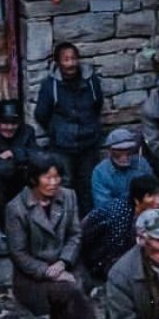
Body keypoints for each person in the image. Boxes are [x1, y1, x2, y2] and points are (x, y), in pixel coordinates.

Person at [5, 153, 102, 319]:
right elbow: (18, 253)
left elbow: (75, 234)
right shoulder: (16, 208)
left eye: (57, 177)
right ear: (33, 179)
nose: (53, 183)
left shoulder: (68, 197)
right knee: (71, 293)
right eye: (47, 178)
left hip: (65, 266)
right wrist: (47, 271)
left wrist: (63, 263)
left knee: (71, 302)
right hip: (33, 278)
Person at [34, 41, 105, 214]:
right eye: (66, 59)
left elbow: (97, 104)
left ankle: (88, 223)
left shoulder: (90, 81)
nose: (71, 64)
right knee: (64, 184)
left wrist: (89, 126)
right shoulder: (50, 85)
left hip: (88, 142)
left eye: (73, 59)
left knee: (87, 184)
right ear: (58, 63)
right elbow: (41, 113)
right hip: (62, 145)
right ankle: (64, 220)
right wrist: (57, 130)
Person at [83, 172, 159, 280]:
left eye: (158, 195)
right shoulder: (120, 217)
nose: (158, 201)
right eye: (150, 196)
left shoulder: (156, 209)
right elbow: (110, 253)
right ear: (136, 200)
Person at [0, 98, 39, 227]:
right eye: (5, 123)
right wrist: (20, 162)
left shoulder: (27, 131)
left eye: (13, 123)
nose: (9, 128)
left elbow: (36, 156)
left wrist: (13, 153)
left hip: (22, 178)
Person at [91, 127, 155, 211]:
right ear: (110, 151)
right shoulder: (100, 172)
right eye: (119, 151)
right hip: (115, 216)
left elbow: (153, 192)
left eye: (128, 151)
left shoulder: (142, 164)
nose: (124, 156)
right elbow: (103, 206)